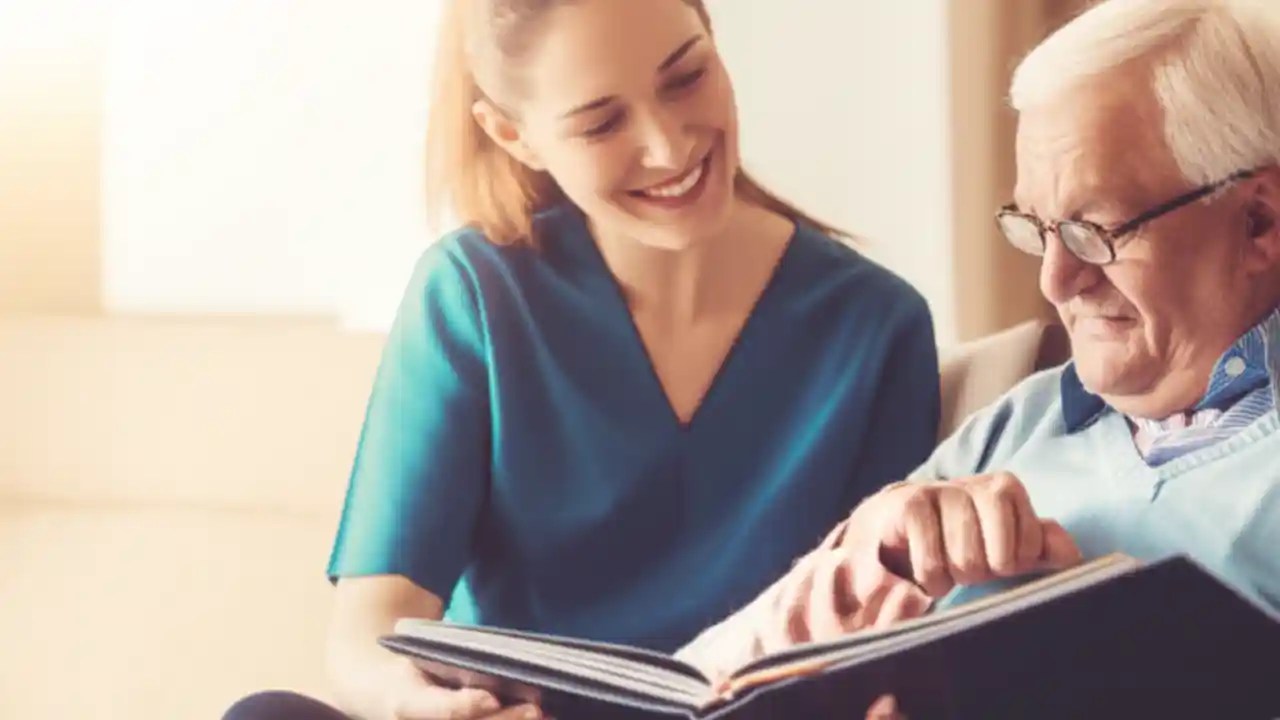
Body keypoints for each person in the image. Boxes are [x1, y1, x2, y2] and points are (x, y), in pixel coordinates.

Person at [224, 1, 940, 718]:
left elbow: (880, 655)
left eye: (686, 77)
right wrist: (425, 708)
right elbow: (368, 637)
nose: (668, 146)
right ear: (514, 135)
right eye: (601, 123)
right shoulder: (474, 295)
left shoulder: (876, 327)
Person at [677, 0, 1280, 688]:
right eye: (1037, 227)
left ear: (1257, 221)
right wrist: (858, 557)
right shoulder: (1022, 420)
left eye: (1095, 230)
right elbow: (708, 676)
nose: (1056, 281)